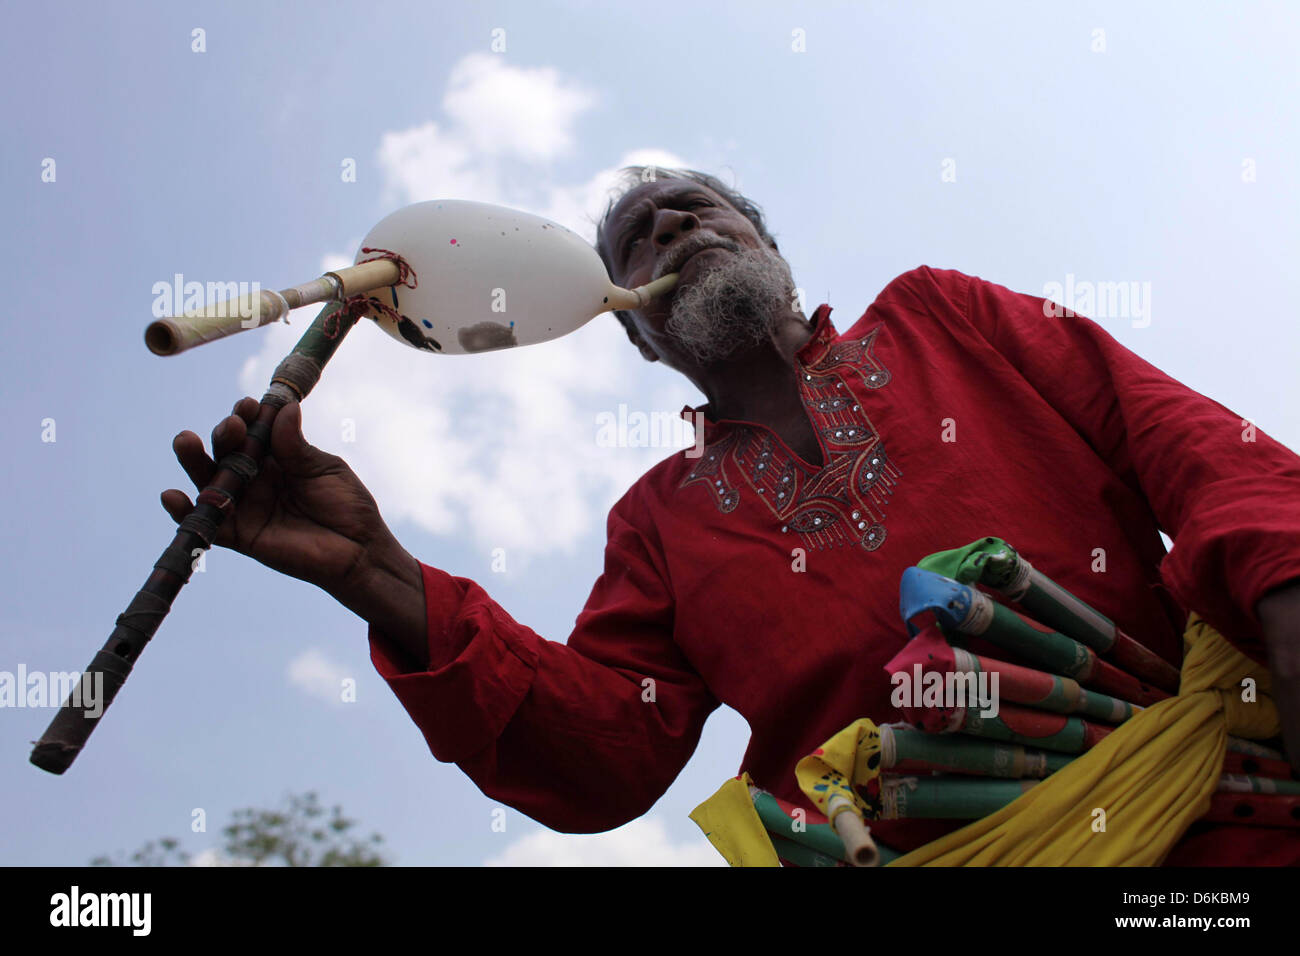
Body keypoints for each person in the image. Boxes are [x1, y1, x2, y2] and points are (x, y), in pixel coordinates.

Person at [162, 167, 1300, 865]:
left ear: (767, 247)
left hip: (1233, 806)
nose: (675, 230)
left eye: (699, 209)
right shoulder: (656, 518)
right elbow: (601, 752)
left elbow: (1198, 452)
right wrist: (371, 566)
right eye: (641, 241)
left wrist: (1286, 592)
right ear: (636, 333)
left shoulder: (943, 313)